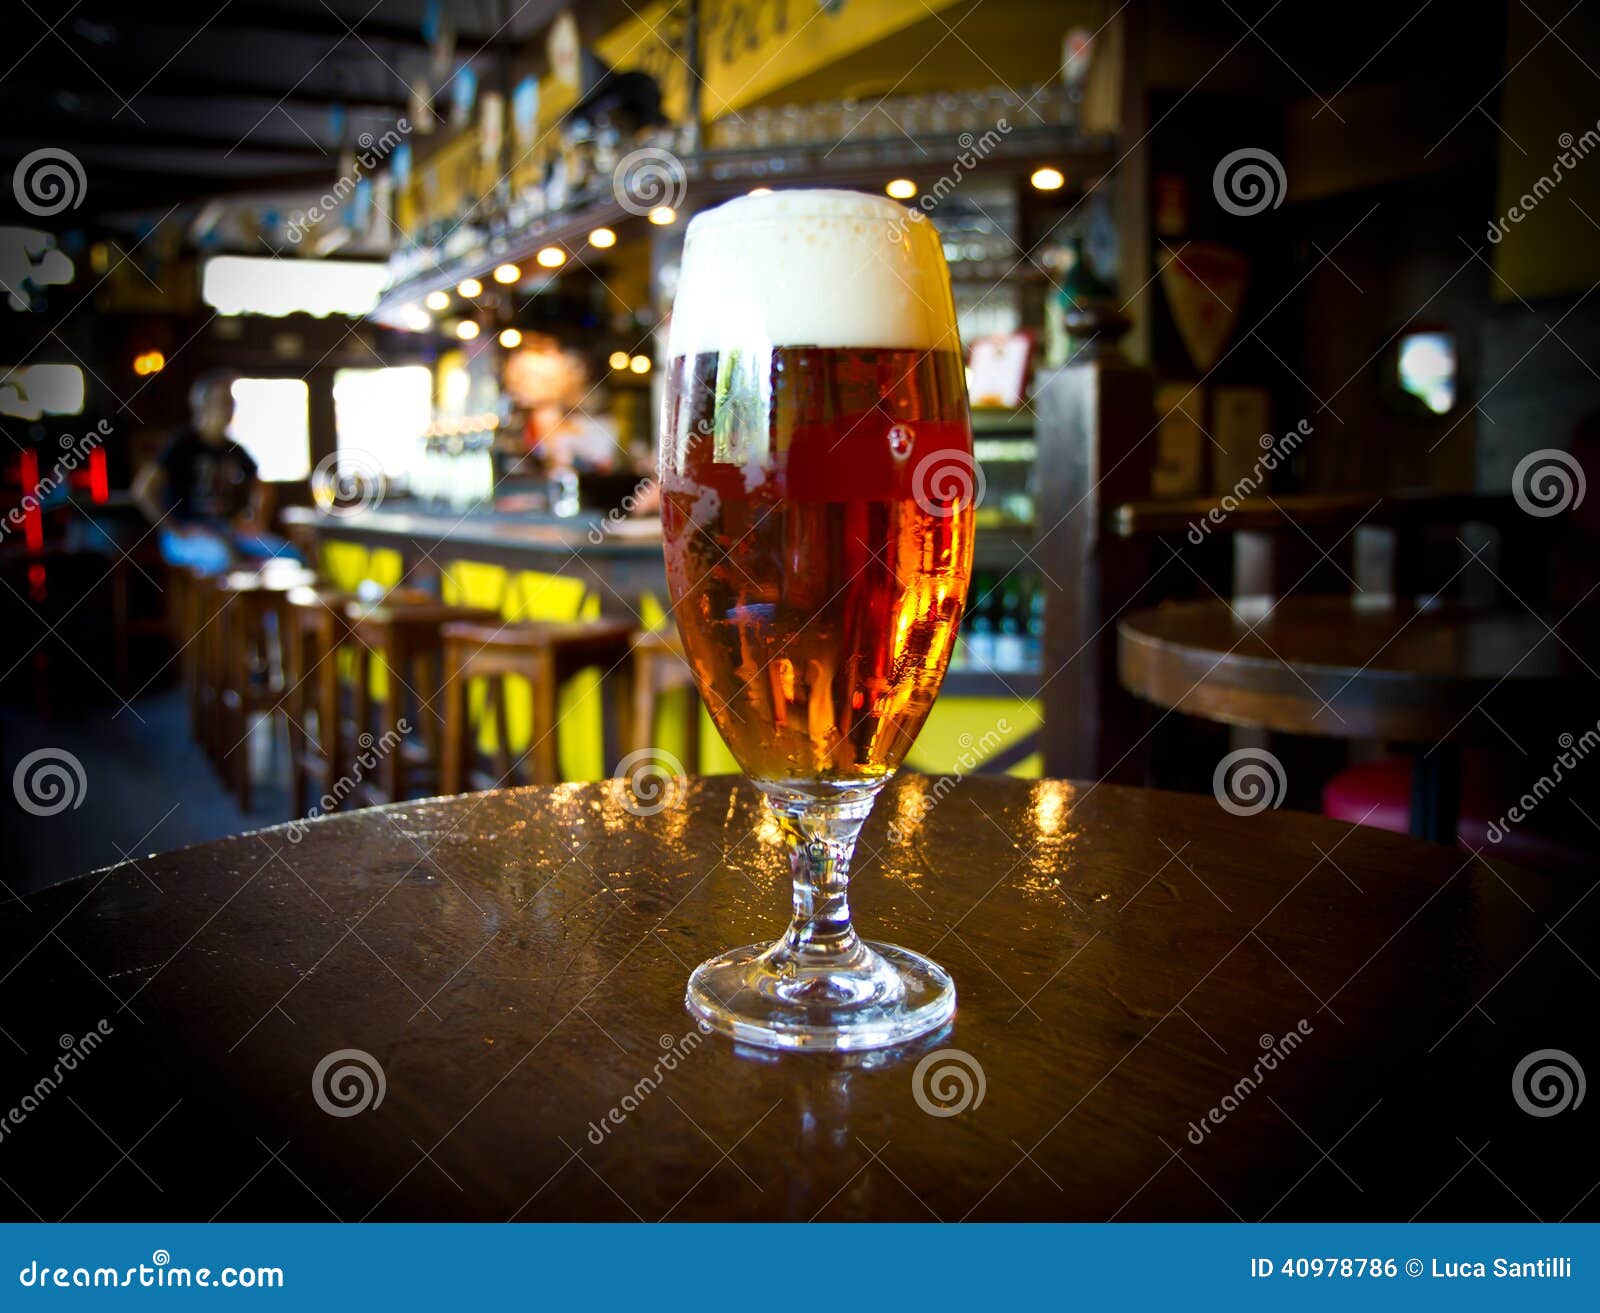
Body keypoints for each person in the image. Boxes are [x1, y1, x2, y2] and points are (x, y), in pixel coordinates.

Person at [131, 372, 298, 572]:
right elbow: (142, 491)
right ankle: (226, 604)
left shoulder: (234, 449)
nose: (229, 409)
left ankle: (265, 603)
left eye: (231, 403)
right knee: (223, 556)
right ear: (202, 406)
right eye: (223, 402)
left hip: (228, 531)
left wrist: (256, 522)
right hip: (186, 535)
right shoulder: (182, 445)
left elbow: (263, 489)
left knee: (290, 555)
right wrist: (175, 529)